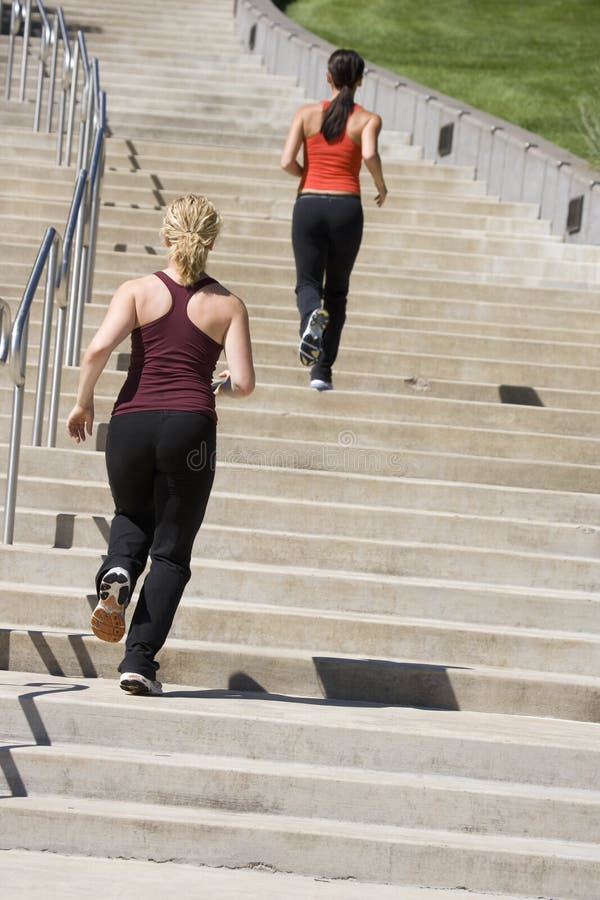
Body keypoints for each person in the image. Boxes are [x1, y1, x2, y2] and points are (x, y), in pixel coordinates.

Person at [66, 194, 255, 696]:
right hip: (190, 426)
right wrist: (215, 386)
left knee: (131, 515)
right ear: (212, 241)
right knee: (171, 553)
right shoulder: (228, 305)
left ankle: (119, 569)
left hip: (131, 422)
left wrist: (83, 403)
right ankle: (138, 663)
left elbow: (97, 348)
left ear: (166, 236)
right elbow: (244, 382)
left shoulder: (136, 290)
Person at [280, 48, 388, 391]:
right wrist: (381, 185)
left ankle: (310, 318)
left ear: (328, 76)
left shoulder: (305, 114)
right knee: (337, 292)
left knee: (307, 283)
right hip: (347, 208)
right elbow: (368, 153)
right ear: (360, 81)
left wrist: (306, 175)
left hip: (309, 204)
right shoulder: (367, 119)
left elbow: (286, 161)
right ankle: (321, 372)